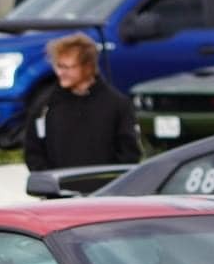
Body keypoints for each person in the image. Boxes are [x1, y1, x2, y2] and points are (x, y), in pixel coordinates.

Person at [24, 33, 141, 172]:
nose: (61, 72)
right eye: (58, 66)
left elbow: (129, 153)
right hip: (59, 191)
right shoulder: (45, 105)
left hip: (106, 191)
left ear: (88, 67)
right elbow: (33, 150)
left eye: (67, 67)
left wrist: (110, 183)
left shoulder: (117, 105)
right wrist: (50, 182)